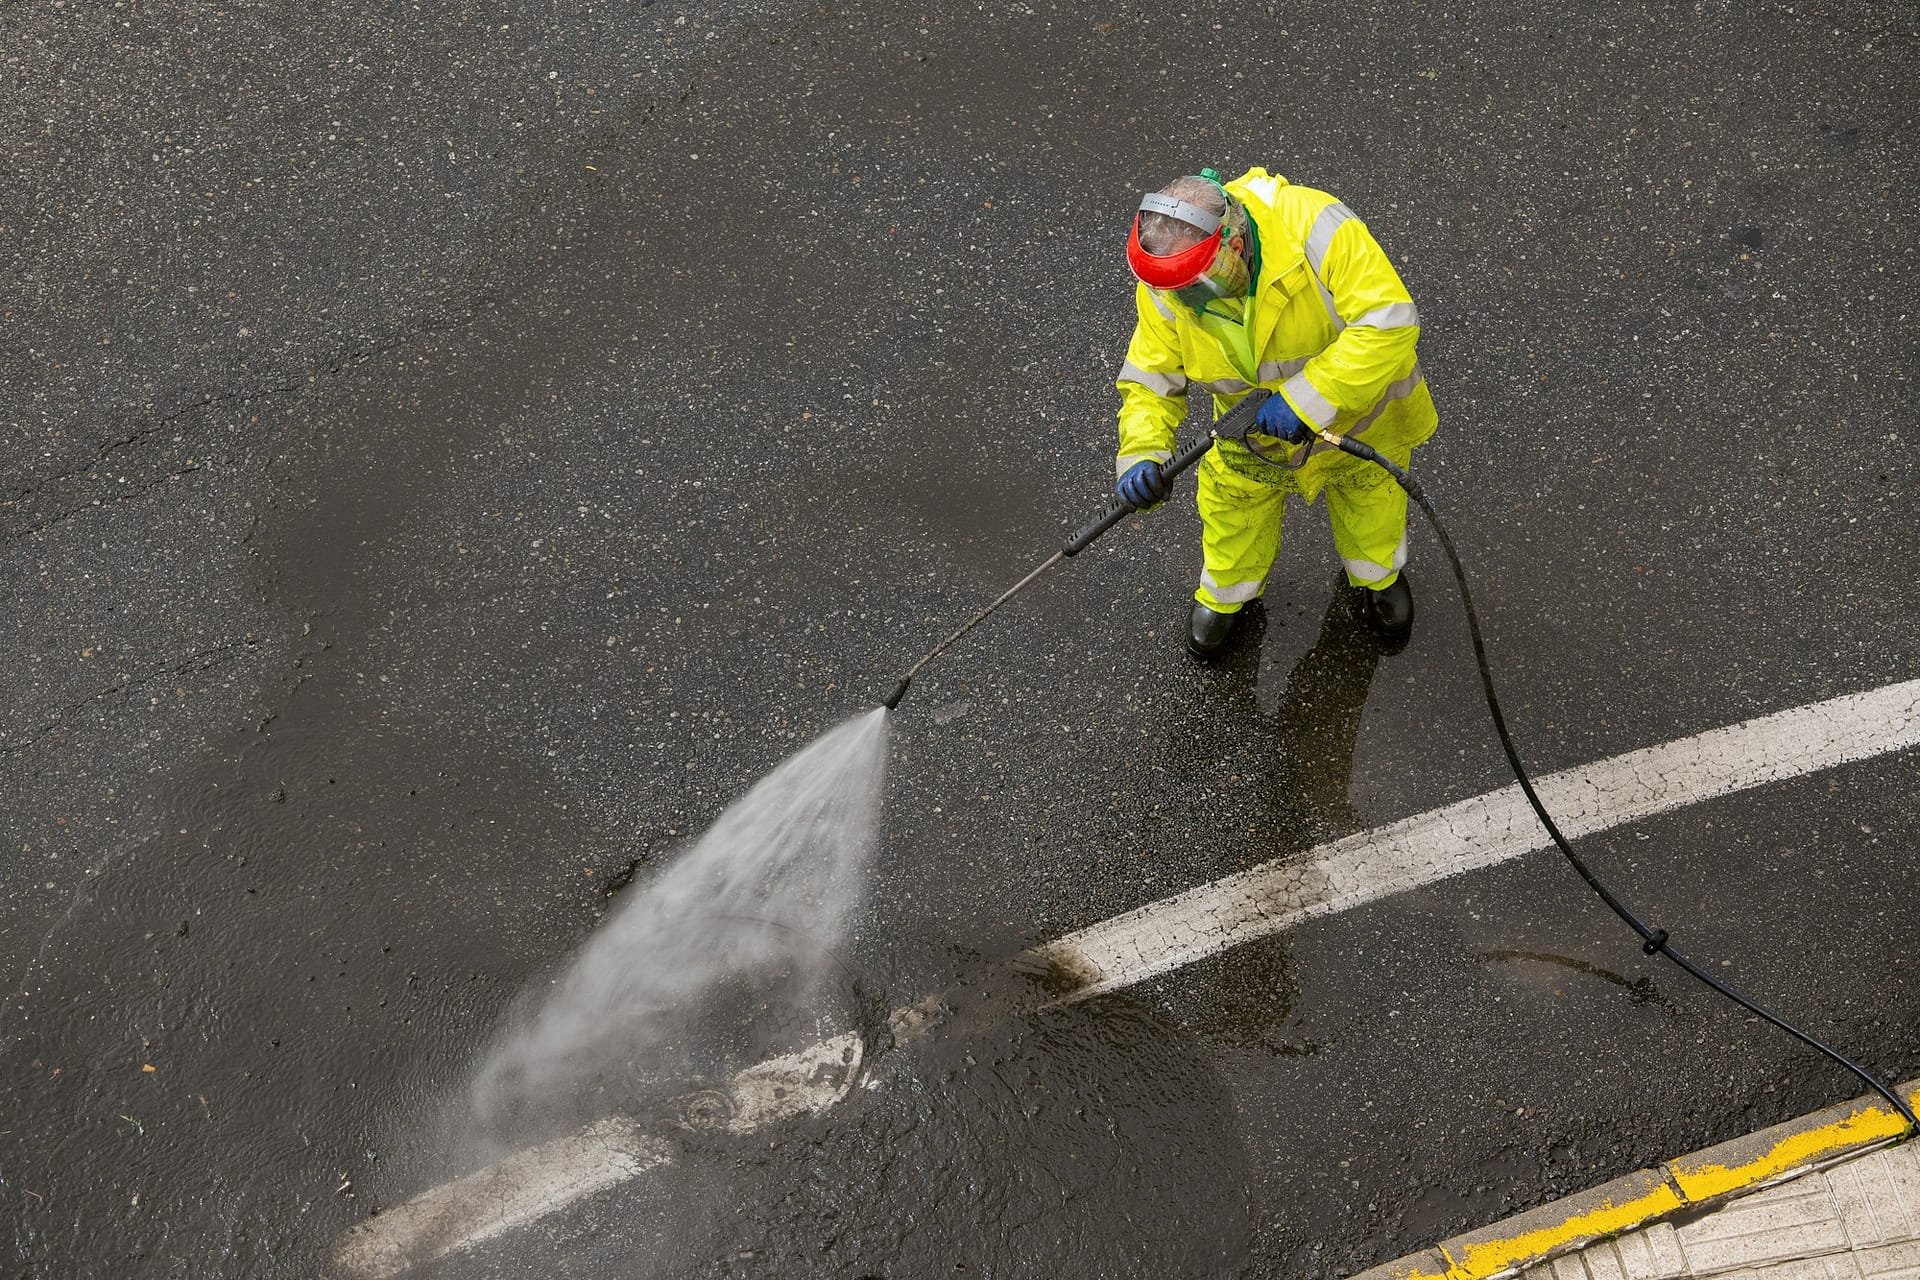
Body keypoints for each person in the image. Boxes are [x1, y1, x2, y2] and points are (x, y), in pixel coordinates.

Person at [1113, 166, 1438, 658]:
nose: (1180, 301)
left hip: (1363, 420)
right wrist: (1142, 451)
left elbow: (1388, 321)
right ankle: (1227, 597)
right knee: (1233, 512)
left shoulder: (1316, 227)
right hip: (1250, 438)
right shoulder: (1169, 282)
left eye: (1189, 286)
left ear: (1232, 247)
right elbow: (1151, 377)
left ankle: (1378, 578)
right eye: (1170, 290)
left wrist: (1306, 398)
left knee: (1372, 501)